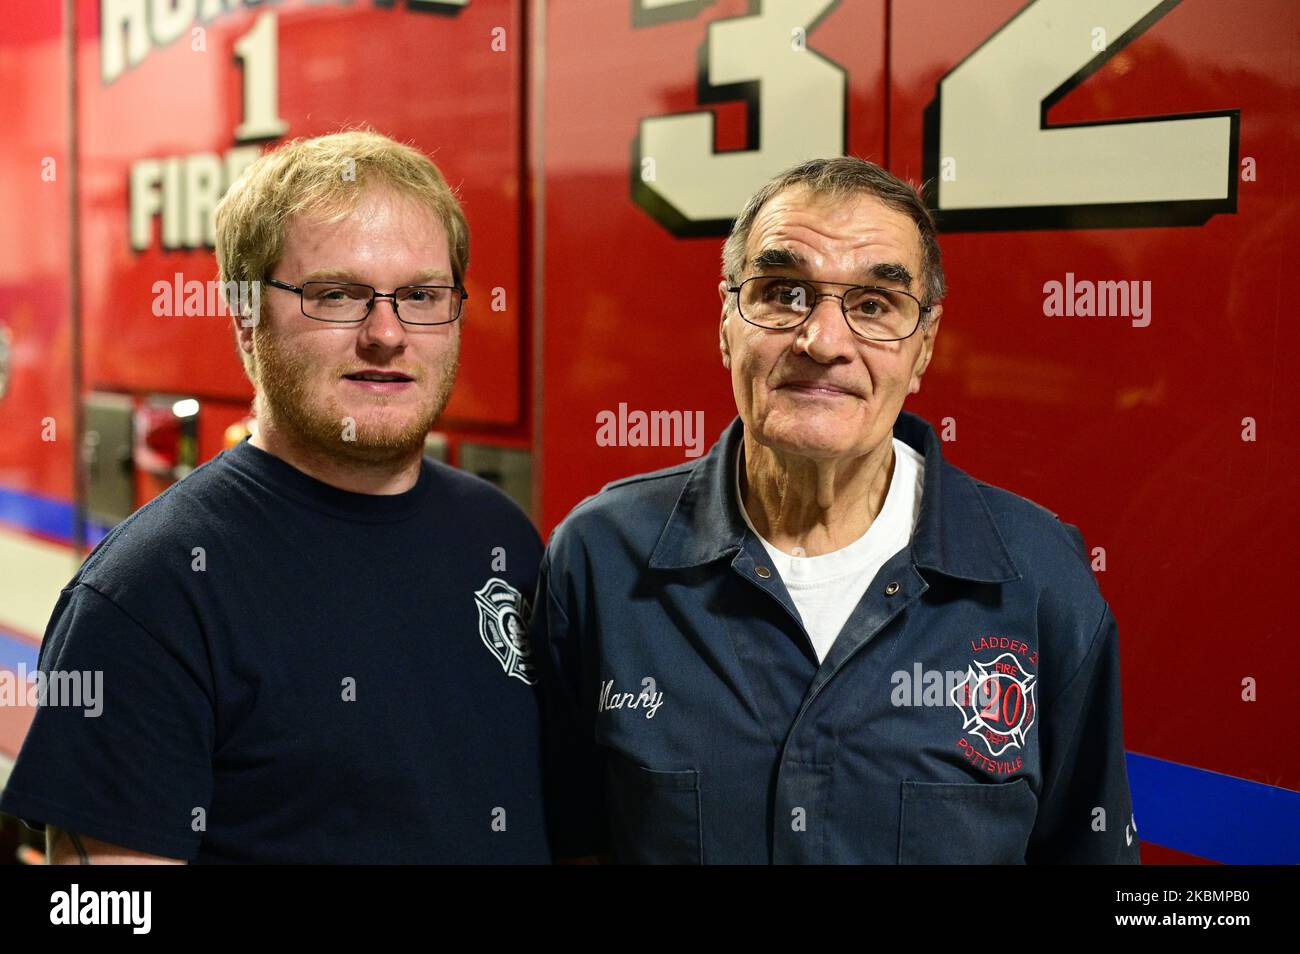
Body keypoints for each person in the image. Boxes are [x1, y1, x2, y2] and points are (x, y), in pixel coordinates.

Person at [533, 156, 1140, 864]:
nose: (823, 342)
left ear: (924, 349)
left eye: (875, 306)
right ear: (727, 323)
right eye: (783, 292)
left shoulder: (1038, 582)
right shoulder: (600, 560)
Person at [0, 130, 550, 863]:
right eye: (336, 295)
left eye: (421, 295)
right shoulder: (149, 597)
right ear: (245, 318)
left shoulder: (502, 536)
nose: (386, 334)